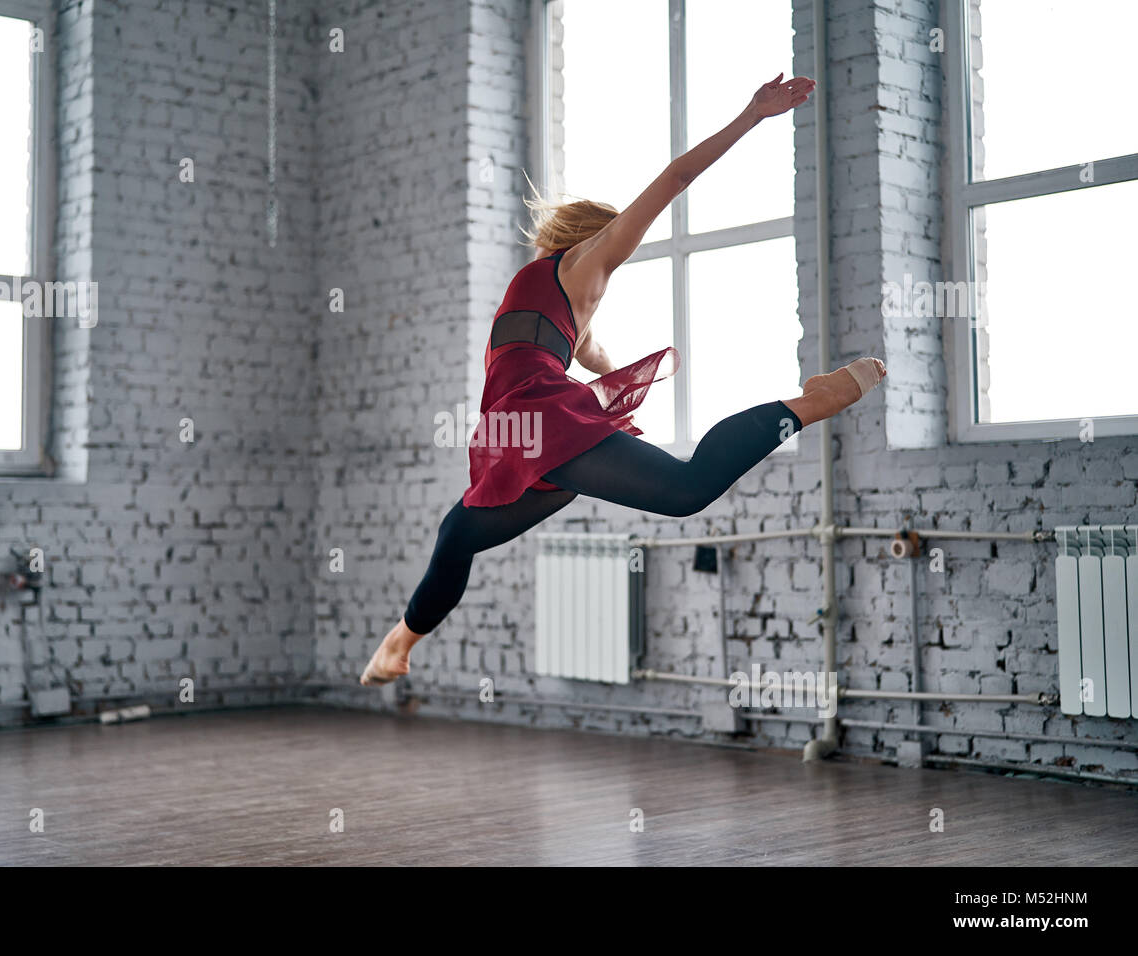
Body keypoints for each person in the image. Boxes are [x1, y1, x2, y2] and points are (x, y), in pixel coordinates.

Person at [362, 73, 884, 686]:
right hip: (525, 434)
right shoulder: (584, 268)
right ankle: (400, 642)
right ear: (593, 238)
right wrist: (752, 113)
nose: (619, 261)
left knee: (685, 491)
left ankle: (806, 404)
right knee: (457, 535)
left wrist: (615, 395)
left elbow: (587, 357)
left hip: (529, 432)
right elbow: (673, 181)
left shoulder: (548, 282)